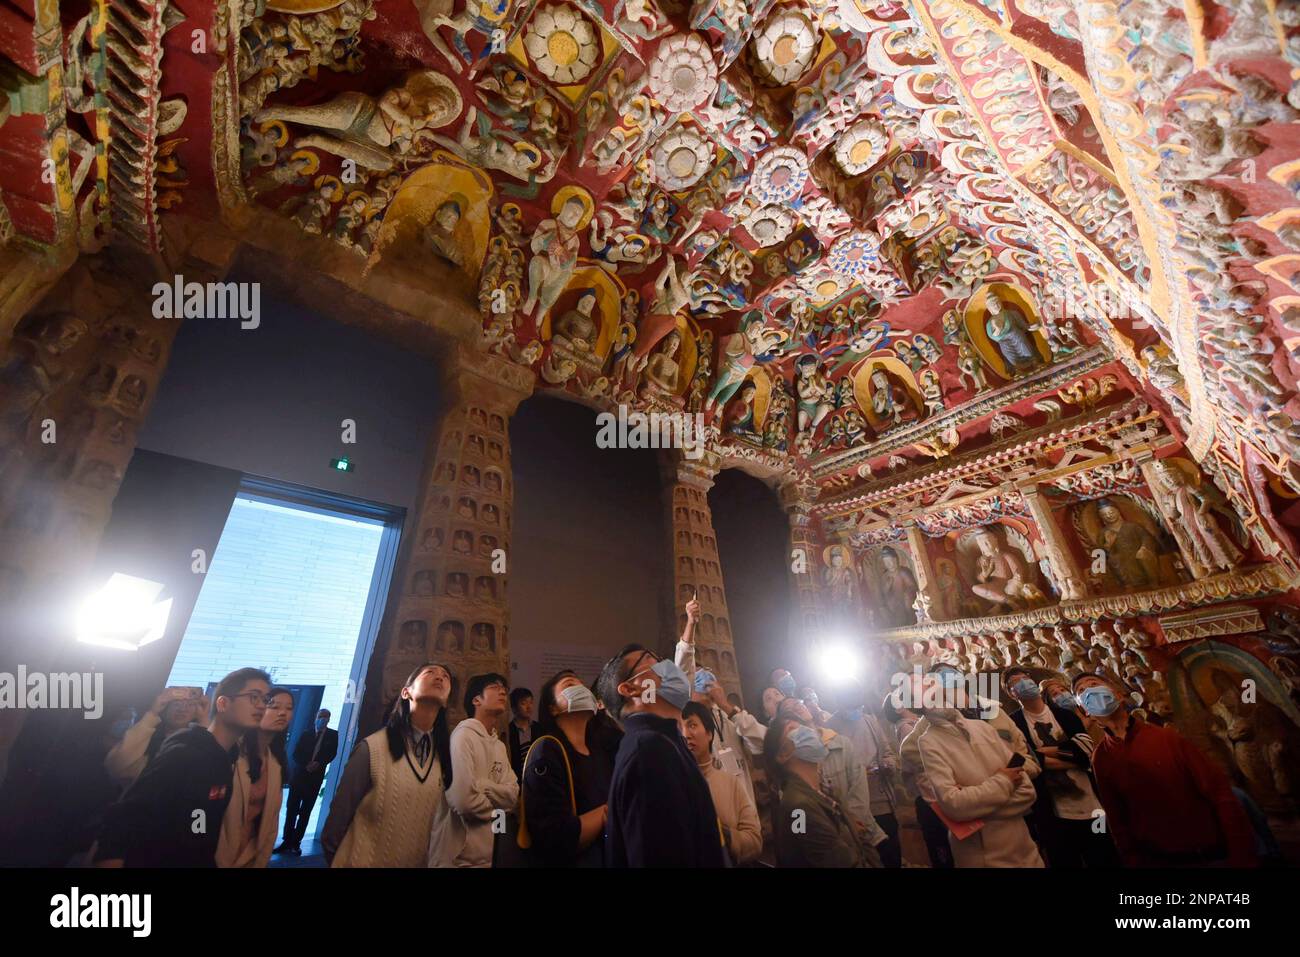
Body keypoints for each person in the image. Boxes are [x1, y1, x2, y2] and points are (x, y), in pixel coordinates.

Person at [1074, 672, 1257, 867]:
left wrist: (1242, 855)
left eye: (1094, 684)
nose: (1090, 691)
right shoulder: (1101, 758)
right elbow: (1117, 819)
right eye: (1082, 692)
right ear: (1085, 712)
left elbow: (1219, 792)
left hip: (1209, 856)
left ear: (1118, 695)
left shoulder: (1167, 738)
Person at [95, 668, 271, 868]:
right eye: (253, 697)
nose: (261, 706)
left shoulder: (221, 758)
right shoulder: (186, 752)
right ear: (223, 703)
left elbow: (201, 829)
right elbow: (123, 819)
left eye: (266, 700)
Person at [596, 643, 724, 867]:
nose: (667, 667)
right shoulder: (649, 750)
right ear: (631, 689)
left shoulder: (662, 741)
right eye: (651, 661)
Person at [322, 663, 453, 867]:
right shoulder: (372, 749)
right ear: (405, 692)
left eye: (445, 676)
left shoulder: (442, 757)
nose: (439, 677)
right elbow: (335, 826)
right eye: (430, 672)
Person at [915, 674, 1044, 868]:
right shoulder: (928, 742)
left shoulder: (983, 727)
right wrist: (1004, 781)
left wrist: (977, 807)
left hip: (1025, 850)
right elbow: (955, 805)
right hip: (982, 856)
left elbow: (1027, 791)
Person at [1003, 667, 1115, 868]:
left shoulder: (1065, 715)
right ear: (1012, 693)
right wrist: (1072, 757)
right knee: (1066, 861)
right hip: (1054, 815)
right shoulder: (1014, 723)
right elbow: (1021, 759)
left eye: (1025, 678)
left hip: (1093, 808)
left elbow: (1084, 752)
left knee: (1104, 856)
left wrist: (1043, 753)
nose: (1023, 682)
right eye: (1015, 682)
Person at [517, 670, 620, 867]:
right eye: (569, 685)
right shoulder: (546, 750)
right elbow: (555, 837)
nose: (580, 689)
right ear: (553, 708)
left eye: (582, 685)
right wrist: (609, 810)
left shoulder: (601, 752)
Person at [778, 695, 886, 865]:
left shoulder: (840, 745)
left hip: (862, 837)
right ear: (783, 753)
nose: (797, 707)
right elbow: (810, 846)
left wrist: (854, 828)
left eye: (798, 703)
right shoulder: (796, 805)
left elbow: (858, 791)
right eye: (793, 728)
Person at [429, 672, 519, 867]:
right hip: (458, 859)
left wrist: (483, 786)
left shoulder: (499, 746)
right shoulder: (463, 737)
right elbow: (463, 802)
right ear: (476, 700)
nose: (502, 691)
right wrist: (497, 807)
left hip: (491, 859)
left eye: (504, 688)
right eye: (494, 687)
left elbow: (512, 798)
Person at [764, 716, 865, 867]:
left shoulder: (822, 793)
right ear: (782, 754)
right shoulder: (798, 809)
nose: (807, 731)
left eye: (803, 726)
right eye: (793, 729)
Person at [218, 687, 293, 867]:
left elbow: (271, 823)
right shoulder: (232, 752)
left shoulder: (275, 762)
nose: (283, 713)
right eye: (273, 706)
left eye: (289, 708)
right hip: (215, 853)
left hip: (249, 856)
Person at [681, 702, 762, 865]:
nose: (685, 734)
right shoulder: (671, 785)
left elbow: (754, 841)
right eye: (679, 727)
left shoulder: (730, 783)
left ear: (709, 734)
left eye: (692, 725)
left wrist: (721, 834)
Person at [829, 693, 904, 867]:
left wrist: (887, 765)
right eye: (851, 708)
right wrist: (859, 773)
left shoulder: (870, 721)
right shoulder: (830, 728)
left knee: (892, 853)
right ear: (839, 704)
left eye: (859, 707)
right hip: (854, 807)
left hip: (881, 799)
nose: (856, 712)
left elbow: (888, 753)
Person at [883, 692, 952, 867]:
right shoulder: (908, 727)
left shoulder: (914, 724)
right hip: (930, 794)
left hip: (931, 791)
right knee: (943, 847)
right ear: (899, 708)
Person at [103, 687, 206, 790]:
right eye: (176, 703)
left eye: (190, 704)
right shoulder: (146, 739)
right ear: (165, 708)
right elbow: (115, 766)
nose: (182, 709)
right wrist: (152, 713)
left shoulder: (198, 742)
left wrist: (204, 721)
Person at [277, 707, 338, 856]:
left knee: (305, 813)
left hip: (315, 780)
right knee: (291, 810)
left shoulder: (333, 735)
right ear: (316, 717)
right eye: (320, 716)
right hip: (299, 777)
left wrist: (319, 763)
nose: (323, 719)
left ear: (329, 719)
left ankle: (296, 842)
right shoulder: (306, 734)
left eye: (326, 717)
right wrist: (306, 764)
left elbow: (332, 753)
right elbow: (295, 753)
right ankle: (287, 841)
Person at [506, 687, 542, 780]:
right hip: (516, 779)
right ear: (514, 708)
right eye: (523, 703)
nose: (528, 707)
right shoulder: (508, 730)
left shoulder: (539, 728)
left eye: (531, 702)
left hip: (537, 779)